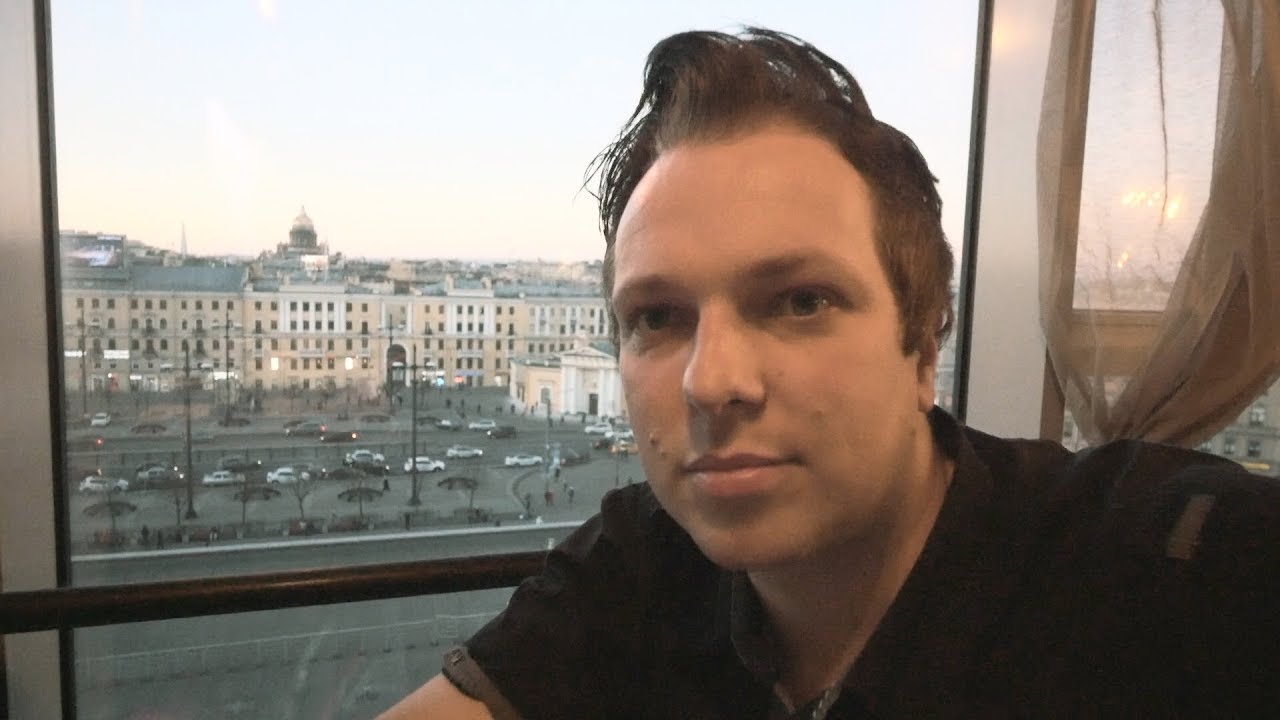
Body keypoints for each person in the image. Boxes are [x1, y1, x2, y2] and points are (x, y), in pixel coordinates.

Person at [379, 27, 1280, 719]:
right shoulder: (648, 563)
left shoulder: (1164, 570)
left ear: (924, 347)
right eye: (657, 317)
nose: (710, 380)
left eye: (800, 301)